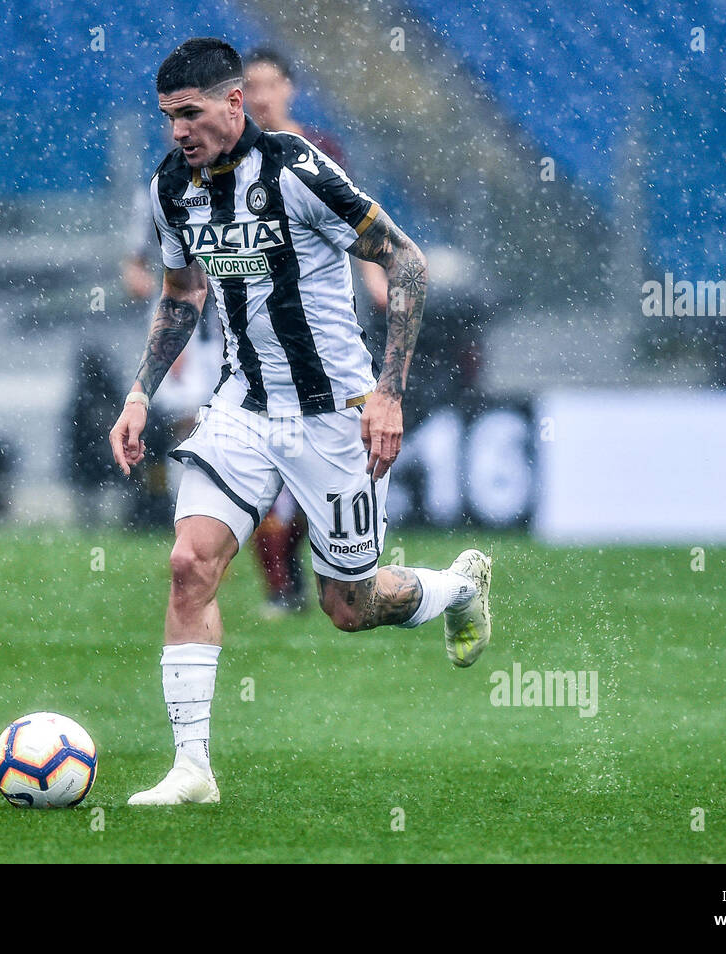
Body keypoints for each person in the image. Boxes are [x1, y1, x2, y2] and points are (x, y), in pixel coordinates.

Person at [108, 38, 493, 806]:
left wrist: (388, 393)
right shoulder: (169, 188)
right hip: (242, 408)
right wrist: (141, 392)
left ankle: (456, 588)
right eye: (167, 119)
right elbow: (183, 295)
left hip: (333, 417)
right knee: (189, 565)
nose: (179, 131)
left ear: (233, 104)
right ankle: (192, 770)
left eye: (191, 114)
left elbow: (407, 262)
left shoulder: (296, 168)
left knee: (349, 607)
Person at [242, 47, 388, 615]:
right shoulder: (229, 159)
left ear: (289, 88)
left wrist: (376, 275)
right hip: (252, 344)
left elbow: (359, 224)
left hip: (325, 335)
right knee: (254, 460)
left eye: (268, 84)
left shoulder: (320, 153)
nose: (259, 96)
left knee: (322, 463)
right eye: (249, 86)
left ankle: (314, 560)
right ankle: (282, 585)